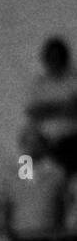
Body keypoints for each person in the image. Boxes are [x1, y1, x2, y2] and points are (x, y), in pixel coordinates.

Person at [26, 36, 77, 173]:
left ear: (64, 59)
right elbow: (33, 112)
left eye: (57, 57)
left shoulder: (73, 81)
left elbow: (73, 110)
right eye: (51, 58)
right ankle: (25, 187)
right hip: (43, 138)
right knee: (26, 148)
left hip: (70, 137)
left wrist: (48, 108)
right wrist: (61, 107)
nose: (54, 61)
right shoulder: (40, 84)